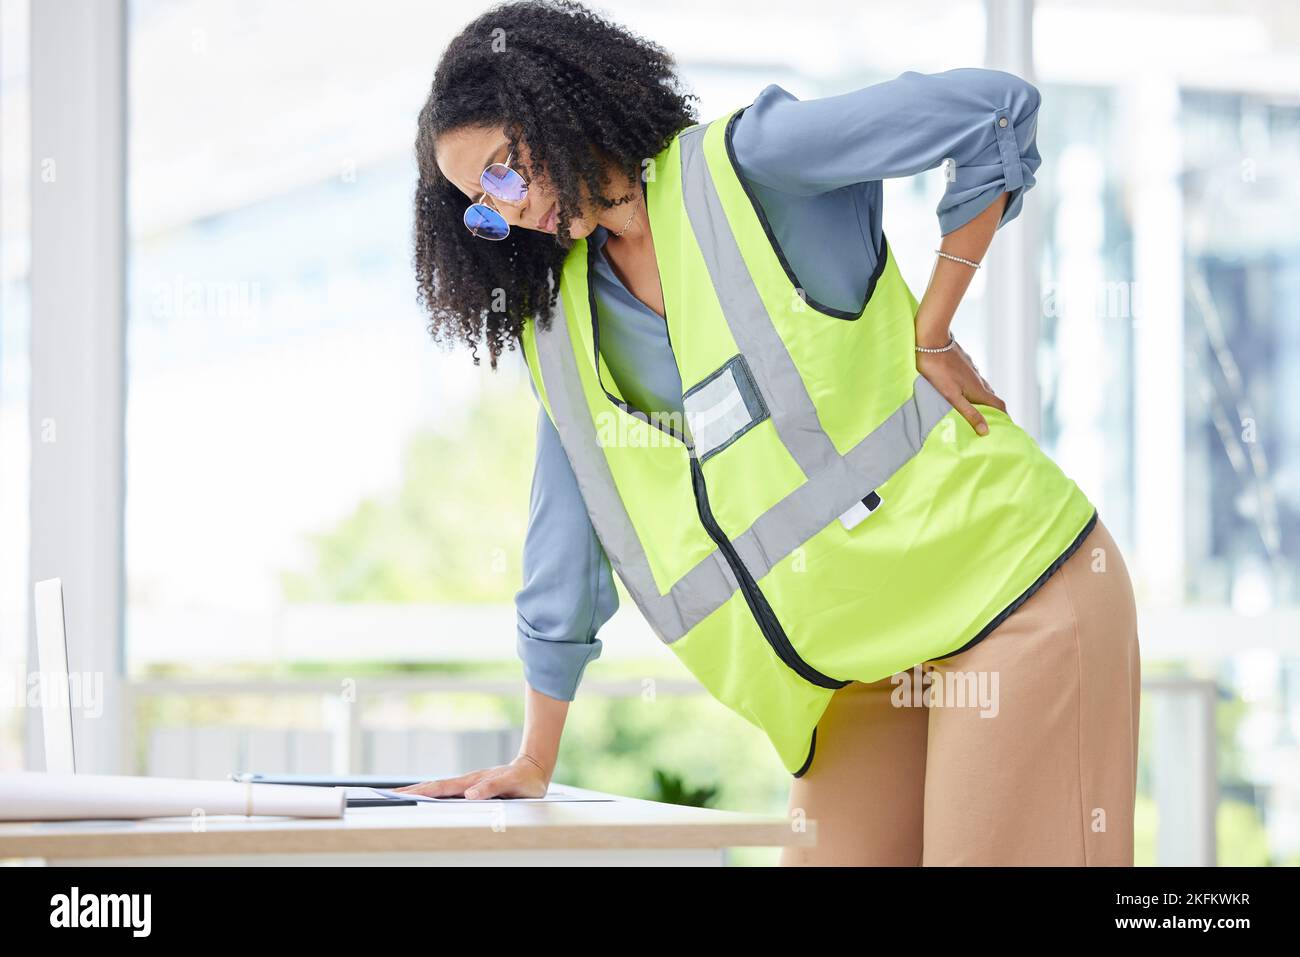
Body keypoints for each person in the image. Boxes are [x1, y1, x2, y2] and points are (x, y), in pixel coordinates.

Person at [396, 0, 1141, 866]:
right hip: (859, 670)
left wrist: (932, 325)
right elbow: (565, 546)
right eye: (479, 201)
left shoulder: (752, 166)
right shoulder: (560, 331)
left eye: (503, 169)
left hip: (1011, 588)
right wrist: (535, 756)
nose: (505, 208)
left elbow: (995, 107)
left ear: (562, 107)